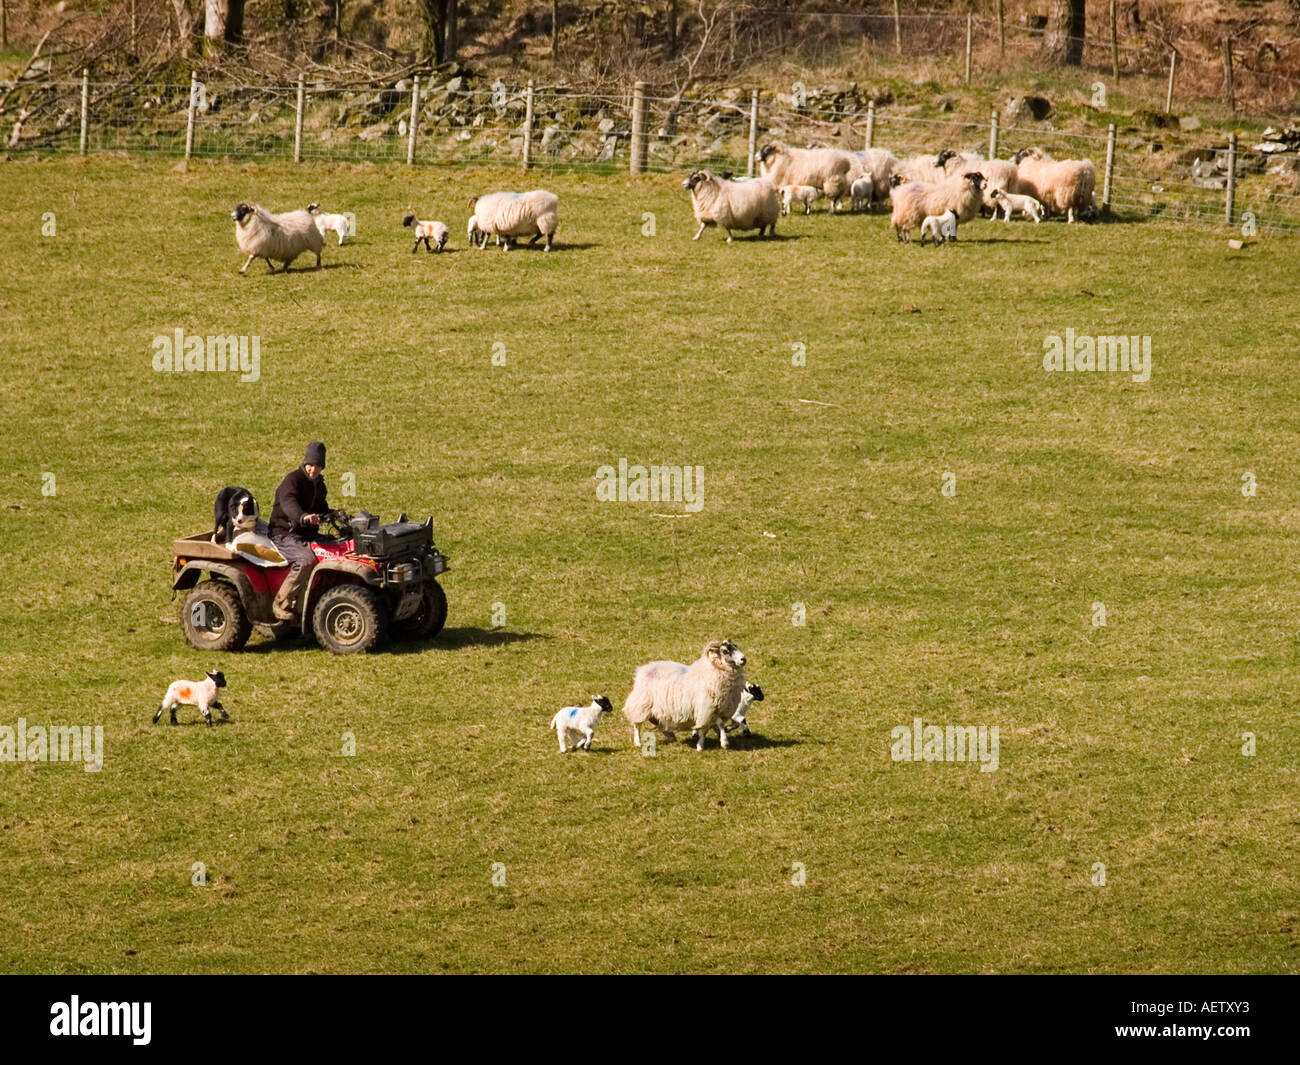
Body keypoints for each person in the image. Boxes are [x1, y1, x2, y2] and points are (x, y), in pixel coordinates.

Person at [269, 442, 331, 621]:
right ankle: (281, 603)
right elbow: (289, 505)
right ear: (305, 464)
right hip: (284, 534)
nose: (313, 469)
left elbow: (321, 508)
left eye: (317, 466)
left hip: (306, 535)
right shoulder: (292, 481)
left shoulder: (319, 486)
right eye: (310, 465)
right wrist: (303, 517)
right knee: (306, 560)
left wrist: (333, 514)